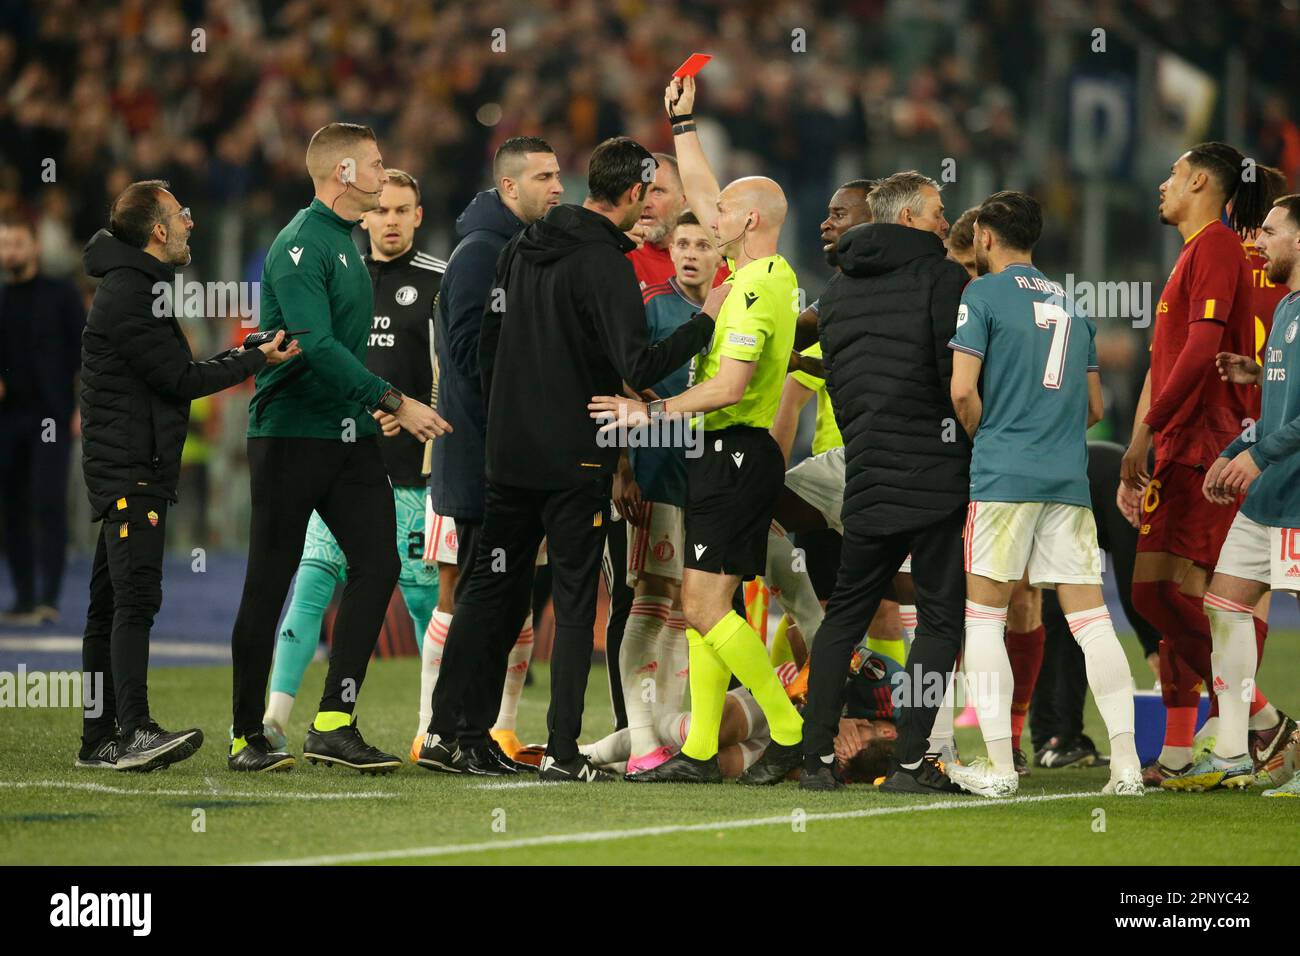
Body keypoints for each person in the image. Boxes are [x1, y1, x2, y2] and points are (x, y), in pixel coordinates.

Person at [419, 136, 718, 783]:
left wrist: (515, 415)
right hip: (574, 463)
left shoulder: (521, 248)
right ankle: (560, 749)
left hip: (509, 457)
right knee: (578, 602)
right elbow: (636, 365)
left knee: (488, 591)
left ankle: (445, 731)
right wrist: (705, 324)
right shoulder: (605, 264)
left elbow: (489, 350)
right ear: (636, 194)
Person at [592, 73, 805, 786]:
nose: (708, 218)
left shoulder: (745, 288)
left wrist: (644, 415)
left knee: (703, 607)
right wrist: (684, 126)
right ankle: (702, 747)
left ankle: (791, 727)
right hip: (732, 456)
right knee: (706, 604)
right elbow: (715, 194)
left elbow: (728, 386)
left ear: (746, 224)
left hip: (735, 453)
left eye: (723, 214)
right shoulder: (766, 270)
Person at [227, 123, 448, 774]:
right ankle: (248, 735)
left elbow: (340, 354)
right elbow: (315, 345)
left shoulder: (347, 244)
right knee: (270, 582)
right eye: (377, 166)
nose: (385, 175)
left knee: (377, 565)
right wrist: (392, 401)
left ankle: (332, 721)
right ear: (344, 172)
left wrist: (366, 410)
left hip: (347, 437)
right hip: (291, 436)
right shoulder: (301, 245)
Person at [77, 180, 299, 772]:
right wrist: (254, 359)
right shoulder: (131, 292)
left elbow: (175, 372)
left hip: (128, 465)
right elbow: (181, 381)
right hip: (131, 470)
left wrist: (246, 351)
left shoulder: (134, 285)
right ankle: (134, 731)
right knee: (135, 601)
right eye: (182, 216)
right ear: (157, 230)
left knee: (108, 606)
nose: (190, 224)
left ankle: (99, 737)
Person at [945, 190, 1142, 797]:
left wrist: (997, 437)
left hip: (1004, 478)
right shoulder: (1073, 305)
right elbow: (1095, 408)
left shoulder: (979, 295)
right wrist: (1049, 439)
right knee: (1091, 620)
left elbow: (960, 393)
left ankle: (1002, 769)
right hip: (1068, 481)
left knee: (983, 618)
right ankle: (1128, 768)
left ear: (983, 237)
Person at [780, 169, 966, 794]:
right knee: (940, 622)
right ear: (909, 217)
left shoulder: (835, 292)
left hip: (864, 476)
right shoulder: (944, 279)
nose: (947, 220)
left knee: (842, 621)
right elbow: (955, 379)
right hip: (934, 478)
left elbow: (824, 368)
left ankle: (815, 764)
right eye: (939, 210)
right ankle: (914, 762)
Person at [1119, 142, 1285, 785]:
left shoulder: (1221, 252)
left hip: (1222, 444)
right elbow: (1176, 356)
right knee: (1201, 598)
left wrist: (1148, 429)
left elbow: (1198, 355)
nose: (1265, 239)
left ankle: (1244, 730)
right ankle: (1203, 743)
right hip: (1216, 440)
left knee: (1205, 598)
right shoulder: (1218, 256)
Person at [419, 136, 563, 773]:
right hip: (485, 460)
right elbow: (476, 357)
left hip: (505, 456)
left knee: (503, 604)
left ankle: (472, 734)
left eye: (559, 175)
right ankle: (449, 734)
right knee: (483, 601)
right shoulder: (482, 253)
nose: (559, 187)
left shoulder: (508, 248)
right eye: (545, 176)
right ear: (510, 188)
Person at [1163, 193, 1300, 793]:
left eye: (1270, 232)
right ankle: (1233, 749)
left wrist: (1258, 456)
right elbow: (1280, 410)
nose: (1258, 243)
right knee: (1223, 606)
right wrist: (1230, 455)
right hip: (1269, 494)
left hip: (1296, 498)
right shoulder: (1290, 309)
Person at [597, 210, 720, 774]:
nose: (690, 253)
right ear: (670, 252)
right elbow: (620, 381)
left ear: (721, 255)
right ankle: (642, 737)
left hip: (713, 473)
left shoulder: (736, 305)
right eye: (682, 244)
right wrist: (622, 465)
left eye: (702, 244)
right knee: (649, 602)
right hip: (656, 468)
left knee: (685, 609)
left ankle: (665, 732)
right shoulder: (653, 307)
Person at [0, 217, 85, 625]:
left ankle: (48, 598)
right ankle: (23, 598)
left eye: (16, 242)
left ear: (33, 246)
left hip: (51, 415)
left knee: (48, 503)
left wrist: (81, 407)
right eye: (4, 244)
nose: (10, 252)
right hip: (8, 419)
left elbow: (85, 354)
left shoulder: (61, 295)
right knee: (11, 507)